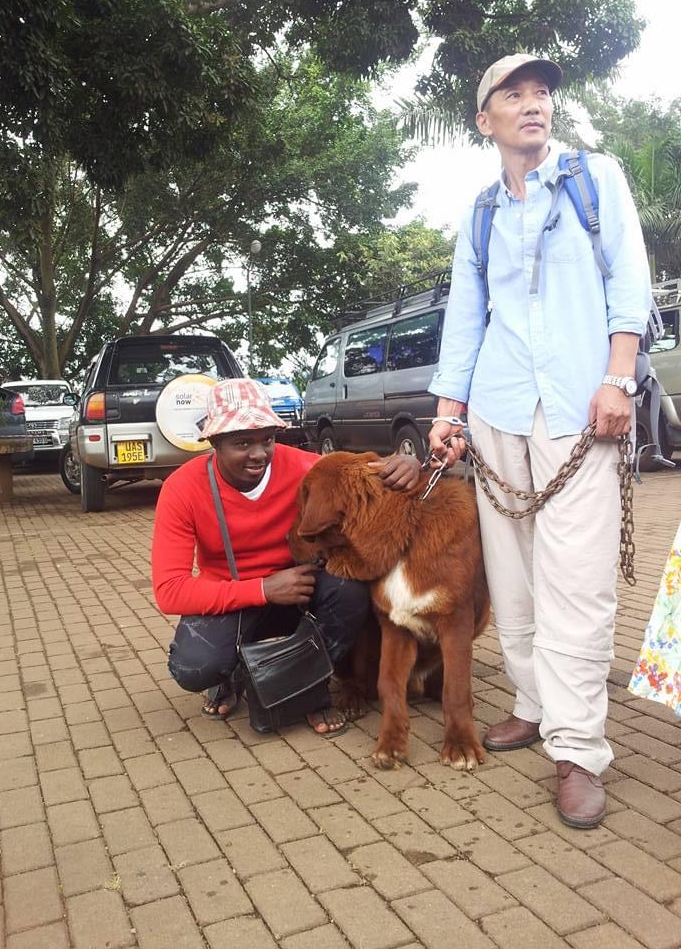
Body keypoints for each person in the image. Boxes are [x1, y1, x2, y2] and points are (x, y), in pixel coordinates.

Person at [427, 53, 651, 828]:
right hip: (495, 411)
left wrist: (617, 379)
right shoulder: (483, 211)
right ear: (484, 119)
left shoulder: (597, 178)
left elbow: (630, 281)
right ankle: (531, 701)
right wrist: (448, 413)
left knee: (575, 584)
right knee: (513, 580)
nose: (533, 105)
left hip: (579, 412)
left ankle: (580, 749)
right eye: (513, 95)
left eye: (542, 93)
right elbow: (466, 315)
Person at [152, 377, 420, 734]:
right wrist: (262, 589)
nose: (259, 453)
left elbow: (371, 470)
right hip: (235, 597)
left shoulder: (303, 467)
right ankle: (230, 673)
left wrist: (409, 464)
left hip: (297, 591)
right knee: (194, 666)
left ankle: (310, 690)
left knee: (349, 591)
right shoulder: (182, 489)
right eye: (242, 443)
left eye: (268, 439)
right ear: (214, 442)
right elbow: (170, 590)